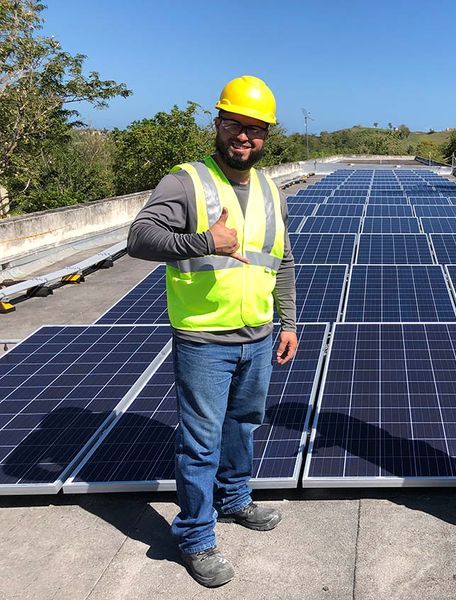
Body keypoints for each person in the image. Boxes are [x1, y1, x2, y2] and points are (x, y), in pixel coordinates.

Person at [128, 75, 298, 588]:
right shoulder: (187, 181)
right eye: (235, 124)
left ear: (267, 134)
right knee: (200, 442)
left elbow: (282, 260)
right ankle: (197, 536)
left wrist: (288, 320)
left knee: (242, 426)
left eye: (256, 128)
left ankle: (236, 499)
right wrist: (204, 239)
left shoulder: (271, 189)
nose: (244, 136)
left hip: (259, 335)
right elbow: (139, 236)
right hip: (204, 339)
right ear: (218, 124)